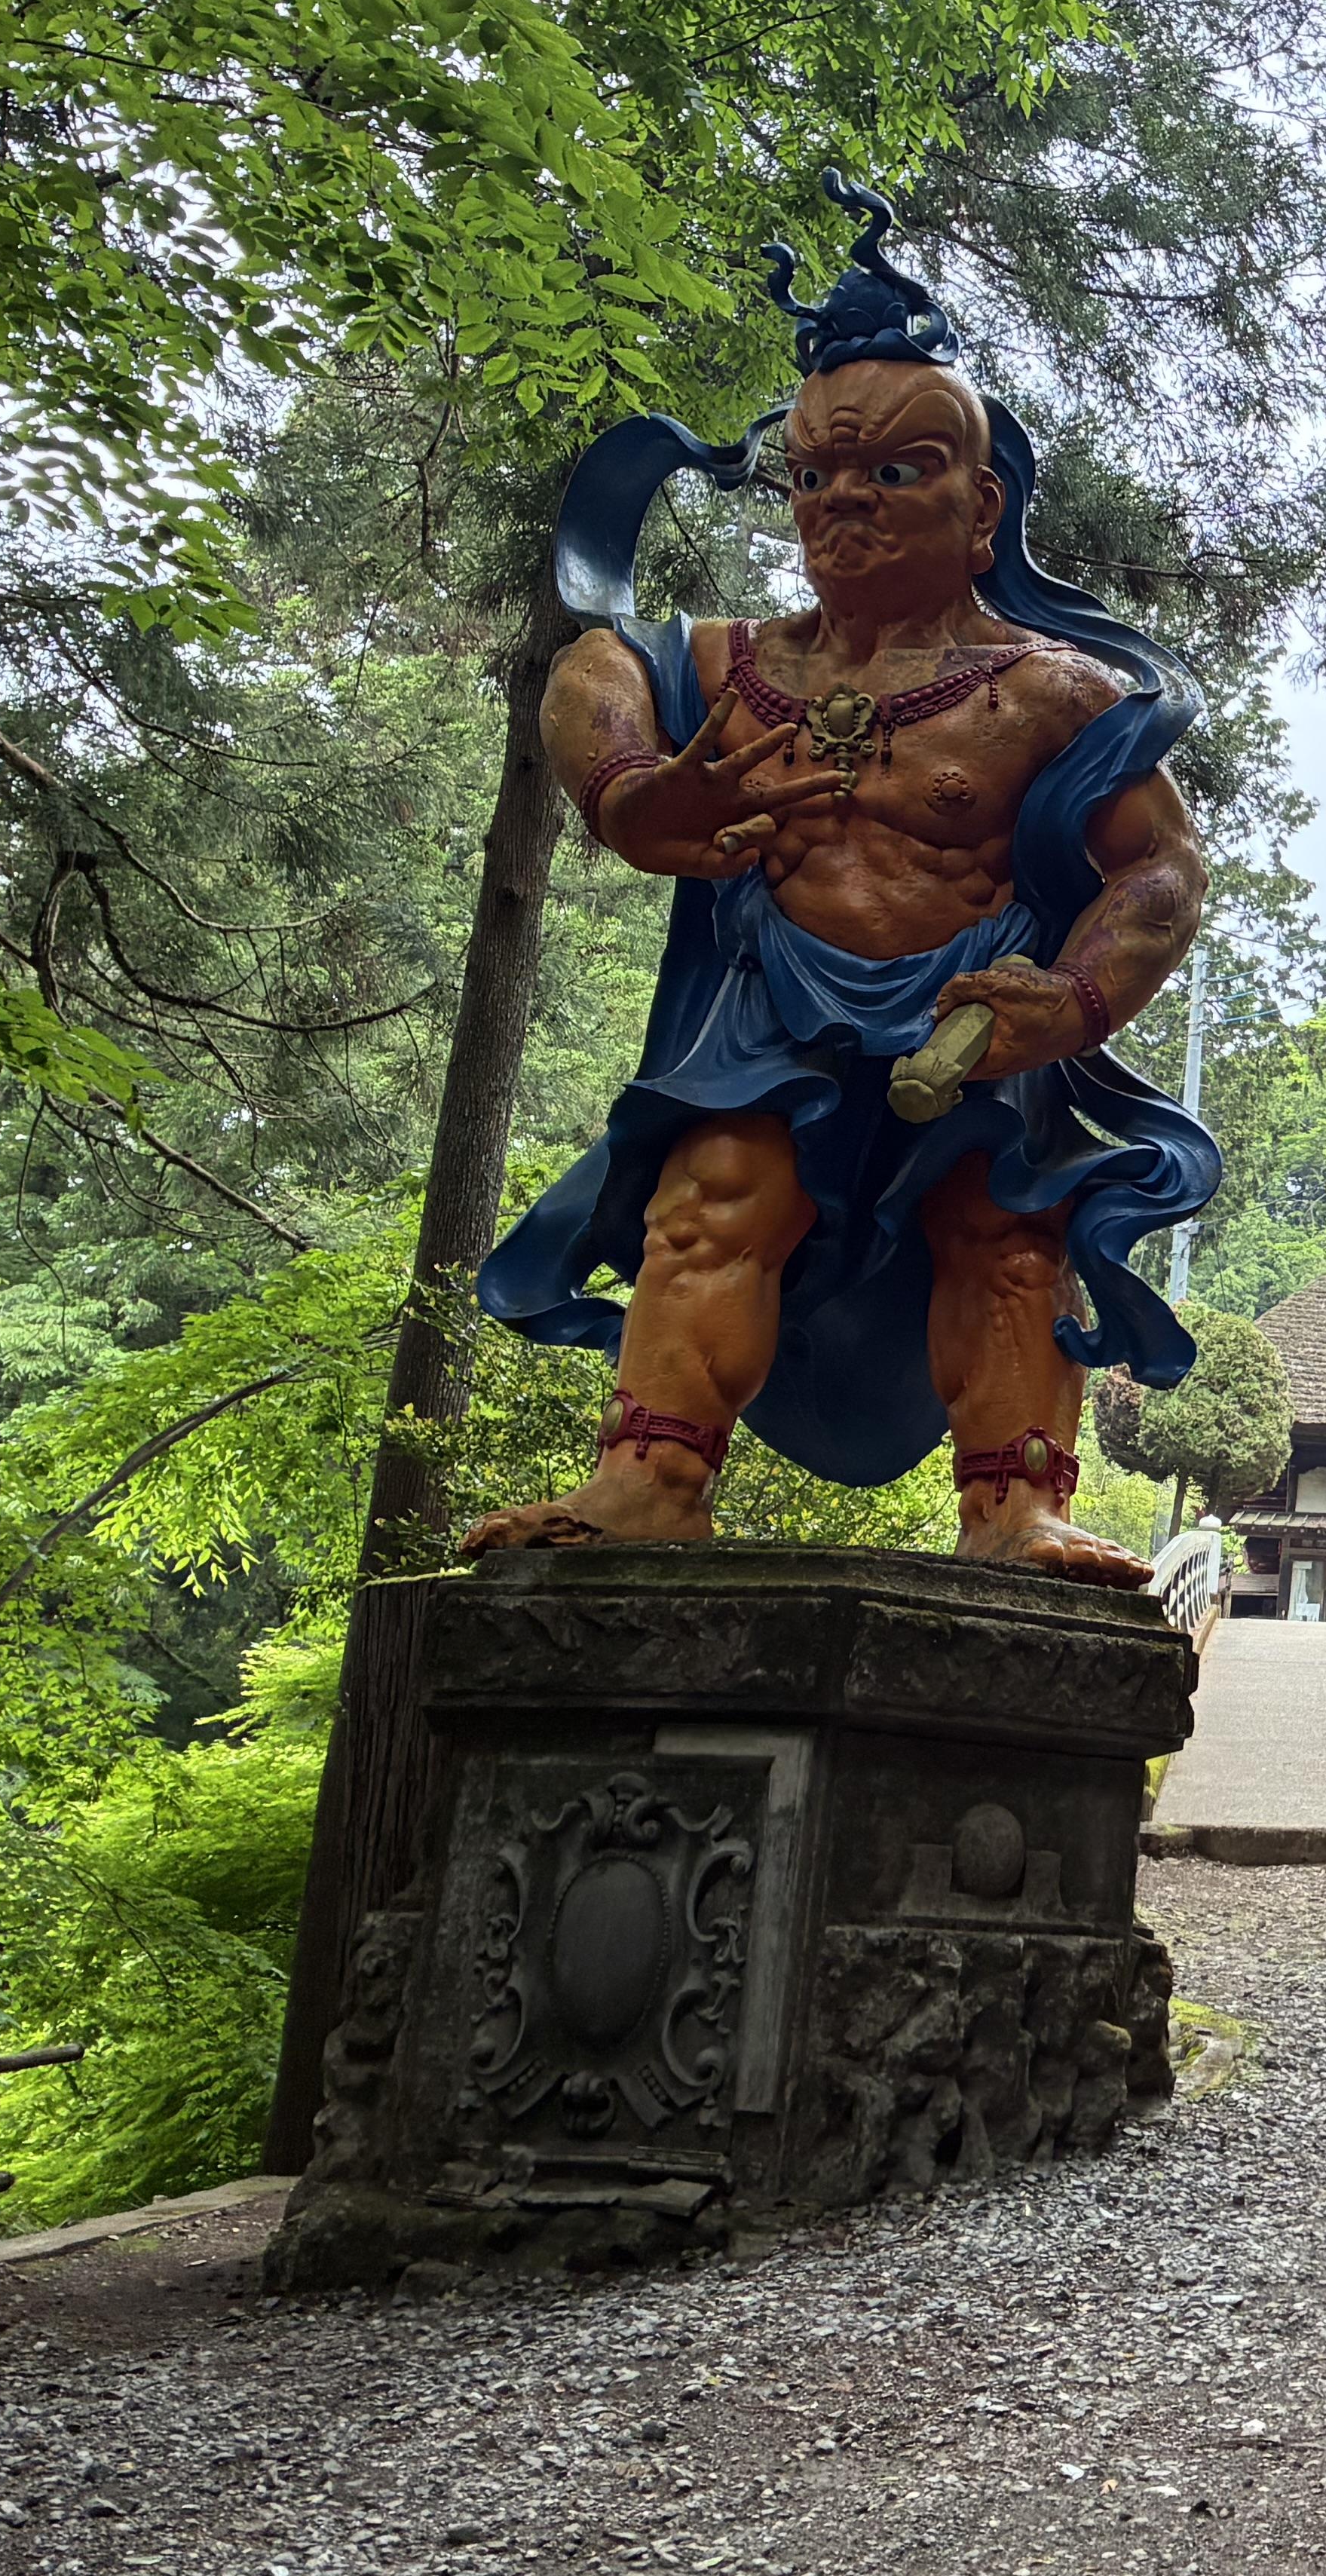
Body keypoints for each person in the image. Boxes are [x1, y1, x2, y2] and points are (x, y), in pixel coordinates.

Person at [463, 176, 1215, 1576]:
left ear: (981, 502)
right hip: (771, 1010)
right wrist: (635, 786)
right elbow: (593, 662)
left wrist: (1072, 1000)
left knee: (1003, 1233)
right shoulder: (721, 666)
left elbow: (1162, 871)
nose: (842, 504)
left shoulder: (1053, 693)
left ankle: (1016, 1509)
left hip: (975, 1007)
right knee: (714, 1202)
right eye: (811, 475)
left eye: (893, 470)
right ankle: (648, 1483)